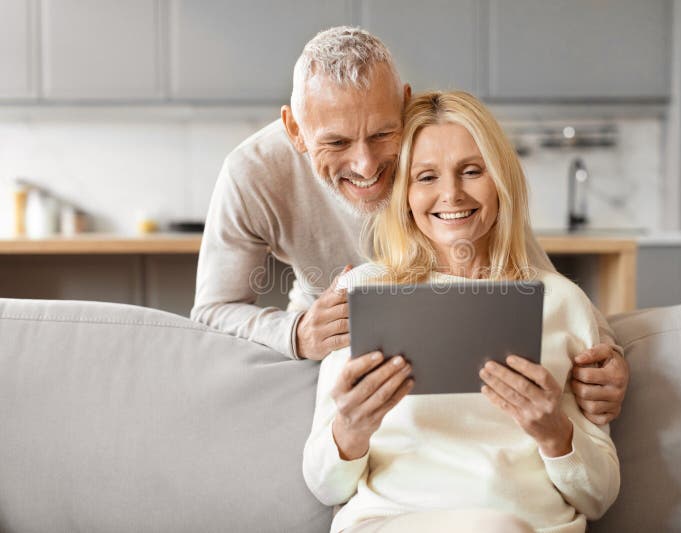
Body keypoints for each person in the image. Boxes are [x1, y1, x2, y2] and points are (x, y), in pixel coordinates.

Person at [190, 26, 628, 426]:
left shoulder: (433, 147)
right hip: (330, 343)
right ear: (295, 130)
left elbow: (524, 265)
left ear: (404, 103)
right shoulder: (253, 172)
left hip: (452, 330)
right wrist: (298, 333)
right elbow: (212, 309)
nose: (366, 165)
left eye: (383, 134)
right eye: (337, 143)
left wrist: (608, 355)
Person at [303, 90, 620, 533]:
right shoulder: (364, 293)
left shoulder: (562, 302)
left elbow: (599, 496)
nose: (450, 194)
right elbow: (324, 486)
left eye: (471, 171)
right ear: (405, 195)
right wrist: (352, 430)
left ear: (501, 181)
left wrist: (554, 432)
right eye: (426, 176)